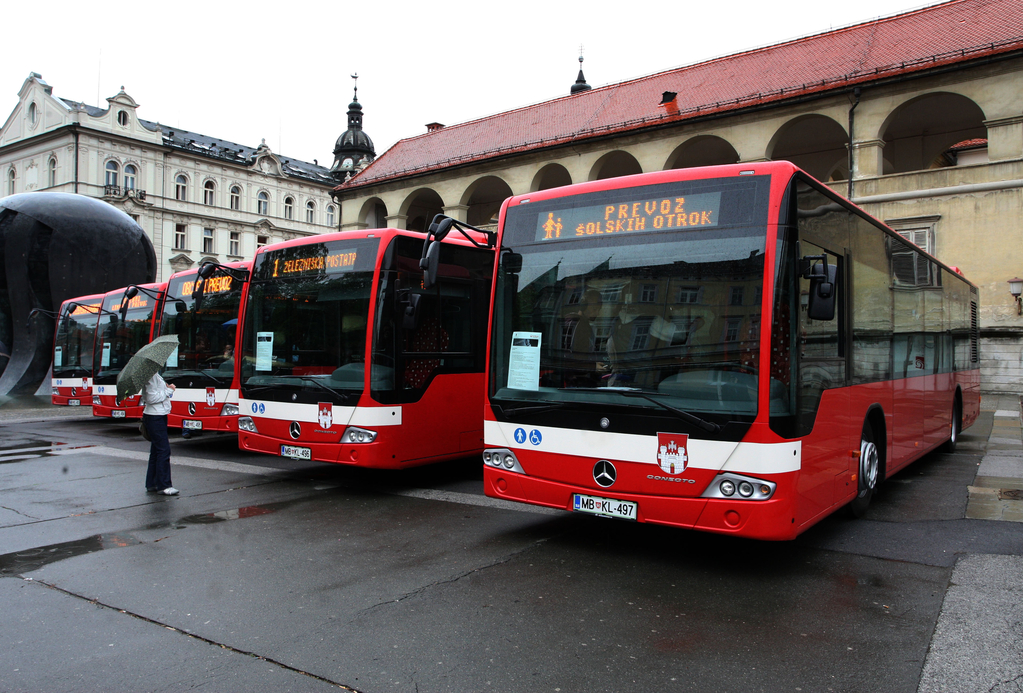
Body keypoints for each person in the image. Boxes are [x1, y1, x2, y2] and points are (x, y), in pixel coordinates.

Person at [143, 372, 178, 495]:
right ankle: (164, 485)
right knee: (163, 450)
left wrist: (166, 388)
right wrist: (169, 391)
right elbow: (150, 398)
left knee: (156, 451)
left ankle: (152, 483)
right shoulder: (150, 376)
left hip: (157, 415)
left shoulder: (154, 375)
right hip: (155, 416)